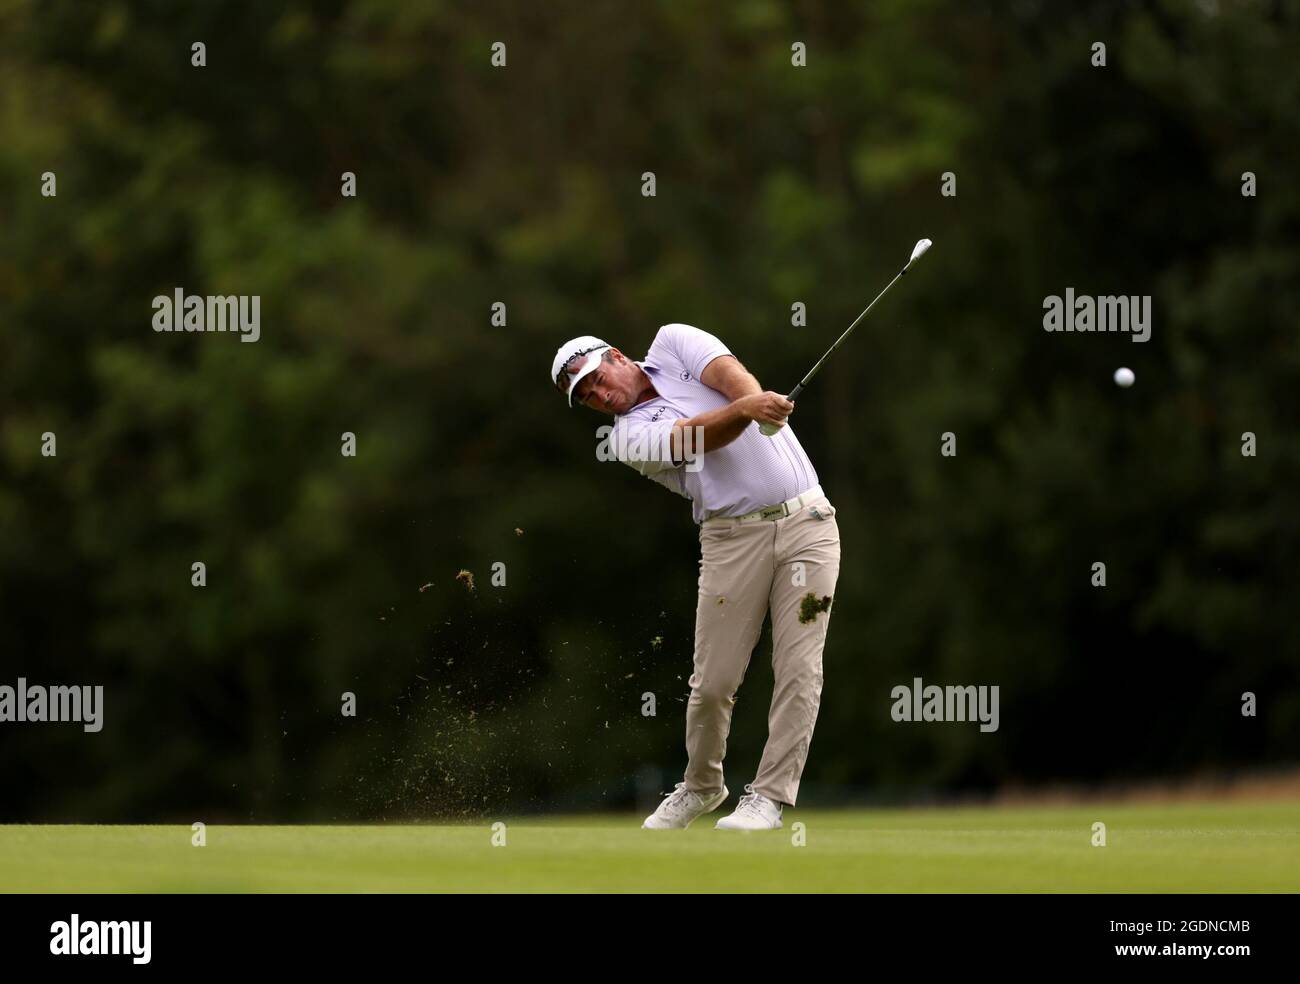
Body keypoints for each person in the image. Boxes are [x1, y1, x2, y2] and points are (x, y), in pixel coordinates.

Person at [550, 324, 841, 830]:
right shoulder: (626, 438)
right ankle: (702, 786)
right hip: (730, 540)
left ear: (616, 357)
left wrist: (757, 402)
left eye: (594, 379)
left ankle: (768, 798)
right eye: (587, 397)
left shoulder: (673, 340)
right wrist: (750, 411)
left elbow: (730, 376)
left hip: (808, 525)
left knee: (799, 667)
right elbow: (701, 435)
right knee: (713, 684)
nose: (599, 395)